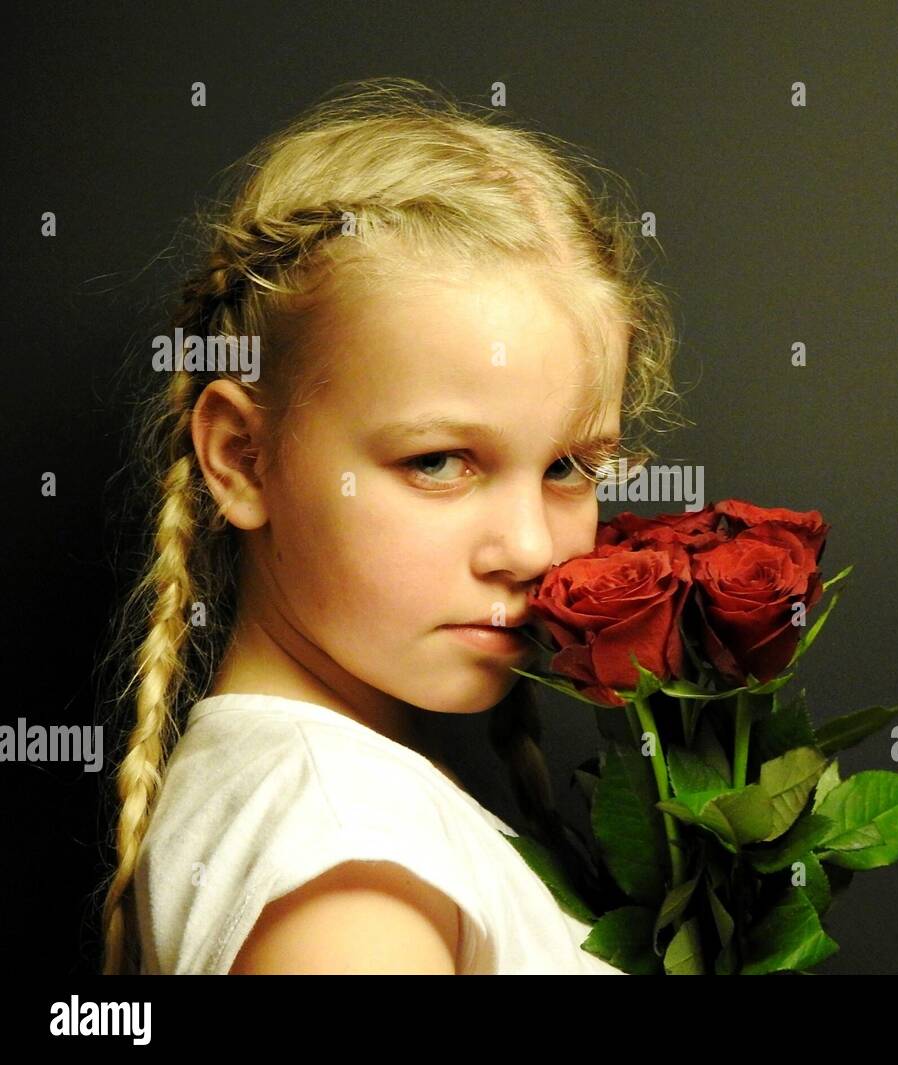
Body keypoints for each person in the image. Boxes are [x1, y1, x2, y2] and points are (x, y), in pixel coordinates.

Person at [95, 77, 685, 974]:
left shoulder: (327, 801)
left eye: (567, 467)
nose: (529, 549)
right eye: (438, 462)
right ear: (243, 459)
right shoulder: (348, 865)